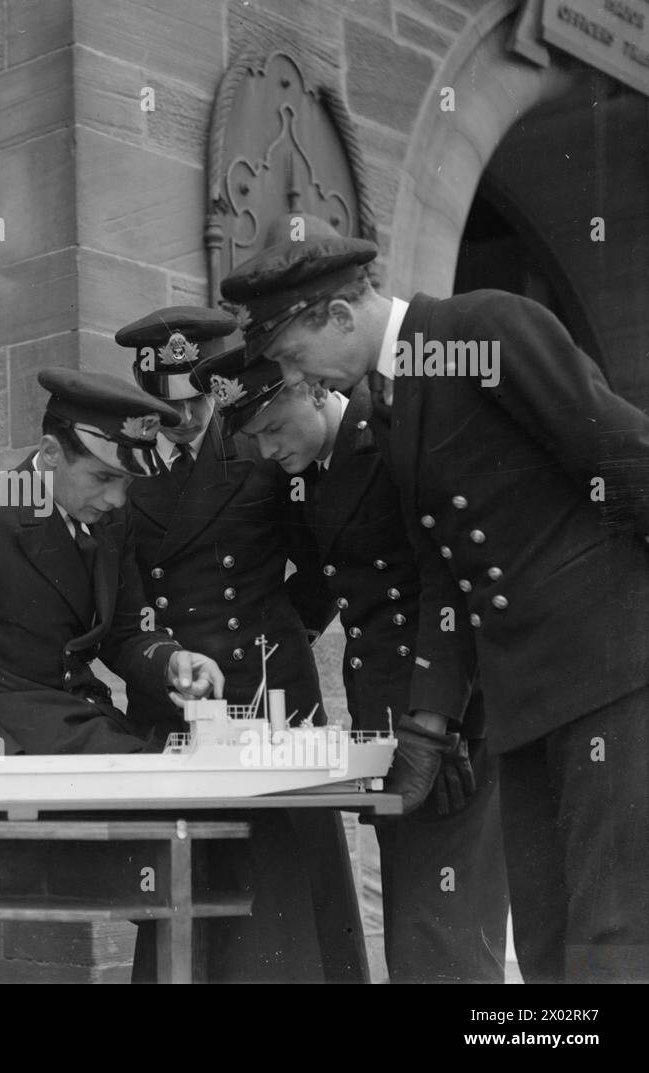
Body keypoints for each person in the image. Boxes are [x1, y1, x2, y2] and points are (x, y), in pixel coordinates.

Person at [222, 222, 649, 982]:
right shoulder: (394, 402)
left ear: (339, 319)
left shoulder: (482, 327)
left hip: (607, 670)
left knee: (613, 930)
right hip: (523, 697)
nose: (304, 377)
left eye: (293, 355)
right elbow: (444, 570)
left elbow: (621, 453)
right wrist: (428, 718)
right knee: (550, 938)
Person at [225, 364, 509, 982]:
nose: (268, 449)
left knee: (443, 930)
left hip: (444, 718)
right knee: (414, 926)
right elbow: (334, 585)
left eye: (274, 427)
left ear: (314, 386)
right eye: (256, 437)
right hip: (388, 717)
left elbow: (453, 589)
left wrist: (443, 723)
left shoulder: (386, 442)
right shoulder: (315, 470)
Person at [117, 308, 367, 982]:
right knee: (190, 903)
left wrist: (285, 628)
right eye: (168, 408)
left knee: (284, 898)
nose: (187, 418)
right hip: (176, 707)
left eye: (198, 400)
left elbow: (325, 558)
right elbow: (120, 606)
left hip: (270, 696)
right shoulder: (121, 470)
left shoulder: (261, 445)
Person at [0, 368, 223, 757]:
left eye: (127, 481)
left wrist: (172, 661)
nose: (116, 498)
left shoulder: (112, 518)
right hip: (8, 740)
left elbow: (128, 631)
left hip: (87, 724)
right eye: (102, 477)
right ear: (50, 453)